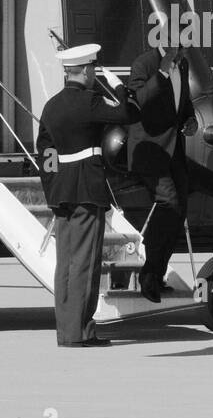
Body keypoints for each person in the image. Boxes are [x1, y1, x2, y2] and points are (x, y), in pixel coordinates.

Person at [35, 44, 140, 348]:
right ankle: (80, 332)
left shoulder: (51, 106)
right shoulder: (89, 101)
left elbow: (45, 152)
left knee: (66, 263)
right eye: (92, 69)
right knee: (84, 262)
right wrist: (120, 87)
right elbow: (125, 113)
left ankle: (67, 331)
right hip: (86, 190)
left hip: (62, 193)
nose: (94, 73)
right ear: (85, 71)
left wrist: (53, 189)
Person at [126, 41, 197, 302]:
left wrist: (191, 119)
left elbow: (183, 100)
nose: (182, 50)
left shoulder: (183, 64)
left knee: (179, 211)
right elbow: (139, 101)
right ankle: (148, 273)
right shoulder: (144, 64)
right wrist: (162, 74)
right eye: (177, 45)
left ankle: (156, 273)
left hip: (174, 147)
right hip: (150, 148)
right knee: (168, 203)